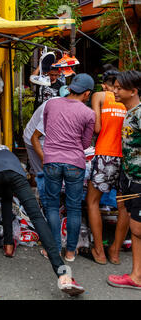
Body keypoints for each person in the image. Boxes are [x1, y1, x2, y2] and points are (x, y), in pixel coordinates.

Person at [0, 145, 85, 296]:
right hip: (16, 176)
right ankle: (63, 275)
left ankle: (8, 245)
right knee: (37, 217)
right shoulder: (10, 154)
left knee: (4, 198)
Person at [43, 73, 96, 262]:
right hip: (75, 162)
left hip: (52, 160)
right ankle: (71, 252)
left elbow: (48, 128)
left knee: (52, 205)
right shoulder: (89, 113)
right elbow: (85, 143)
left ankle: (55, 248)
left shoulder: (51, 104)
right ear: (87, 93)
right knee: (74, 208)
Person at [86, 70, 130, 265]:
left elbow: (96, 127)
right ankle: (115, 252)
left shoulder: (99, 96)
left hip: (105, 153)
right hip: (126, 156)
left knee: (92, 201)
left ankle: (99, 251)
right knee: (124, 207)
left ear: (105, 84)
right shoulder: (130, 99)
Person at [107, 70, 141, 290]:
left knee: (138, 229)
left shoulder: (139, 114)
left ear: (133, 91)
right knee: (136, 229)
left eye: (119, 88)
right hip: (130, 178)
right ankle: (136, 275)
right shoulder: (129, 112)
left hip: (139, 180)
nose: (115, 91)